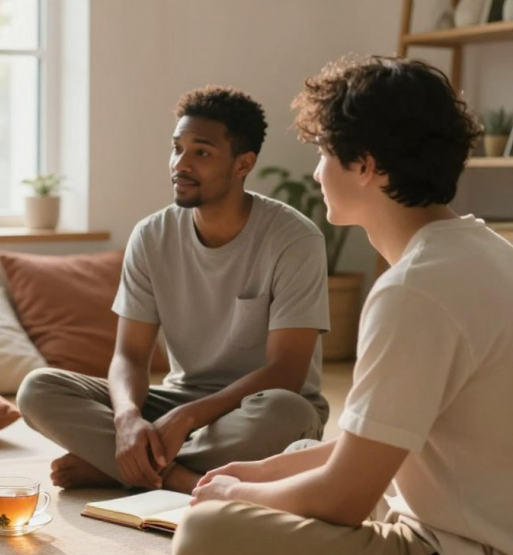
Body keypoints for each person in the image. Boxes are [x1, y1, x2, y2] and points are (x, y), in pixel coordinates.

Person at [142, 56, 512, 555]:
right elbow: (389, 439)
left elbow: (343, 499)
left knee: (206, 531)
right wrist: (261, 472)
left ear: (364, 164)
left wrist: (233, 492)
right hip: (462, 519)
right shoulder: (486, 253)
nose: (316, 172)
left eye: (322, 153)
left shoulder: (415, 290)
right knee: (297, 455)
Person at [18, 86, 330, 493]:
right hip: (178, 401)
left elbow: (285, 372)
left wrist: (185, 421)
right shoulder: (151, 235)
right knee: (39, 389)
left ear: (243, 164)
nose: (180, 164)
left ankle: (123, 466)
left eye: (201, 153)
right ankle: (175, 474)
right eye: (176, 149)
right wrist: (128, 418)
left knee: (286, 413)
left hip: (258, 409)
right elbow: (130, 355)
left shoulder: (294, 239)